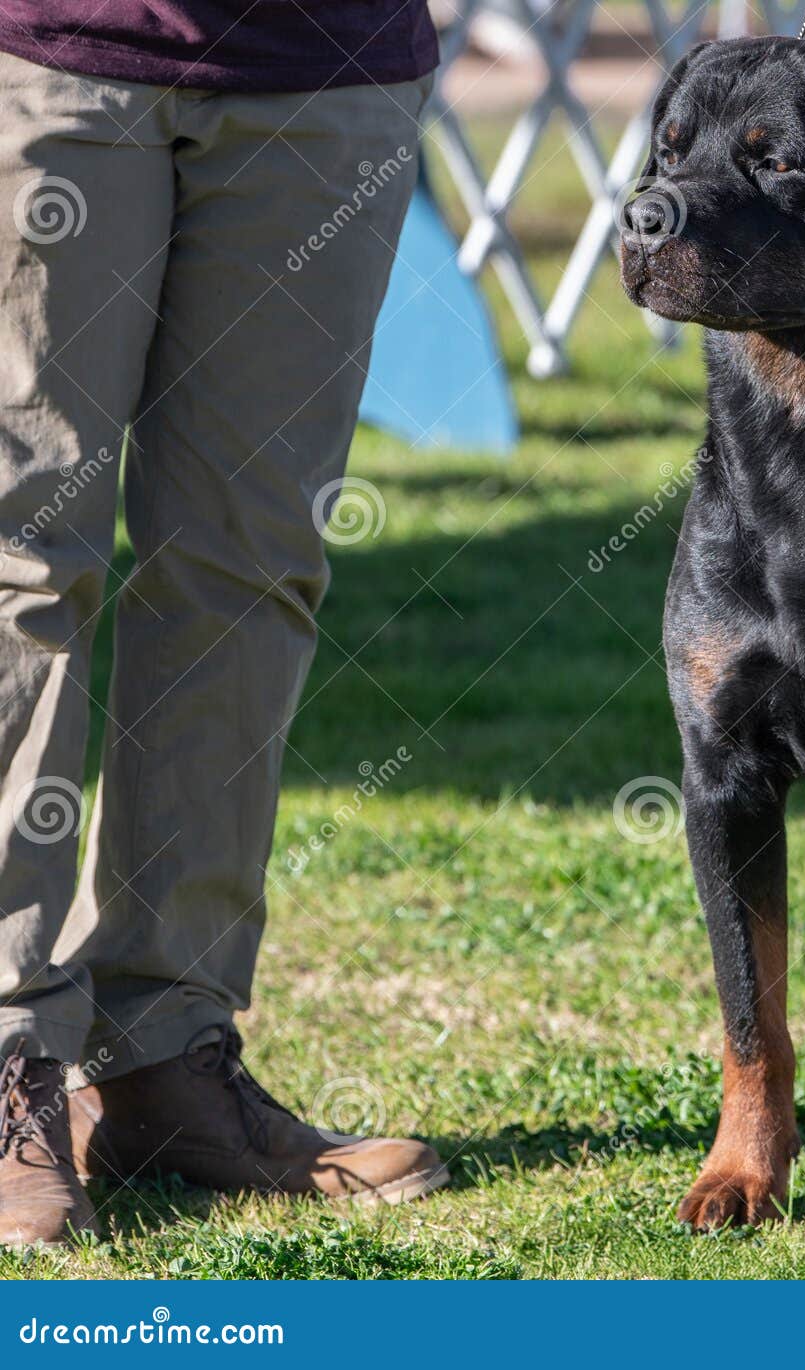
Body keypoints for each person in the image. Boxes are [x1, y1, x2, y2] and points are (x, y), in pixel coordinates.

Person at [0, 1, 449, 1248]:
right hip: (50, 51)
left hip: (329, 69)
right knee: (20, 565)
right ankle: (7, 1064)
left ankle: (160, 1056)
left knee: (248, 567)